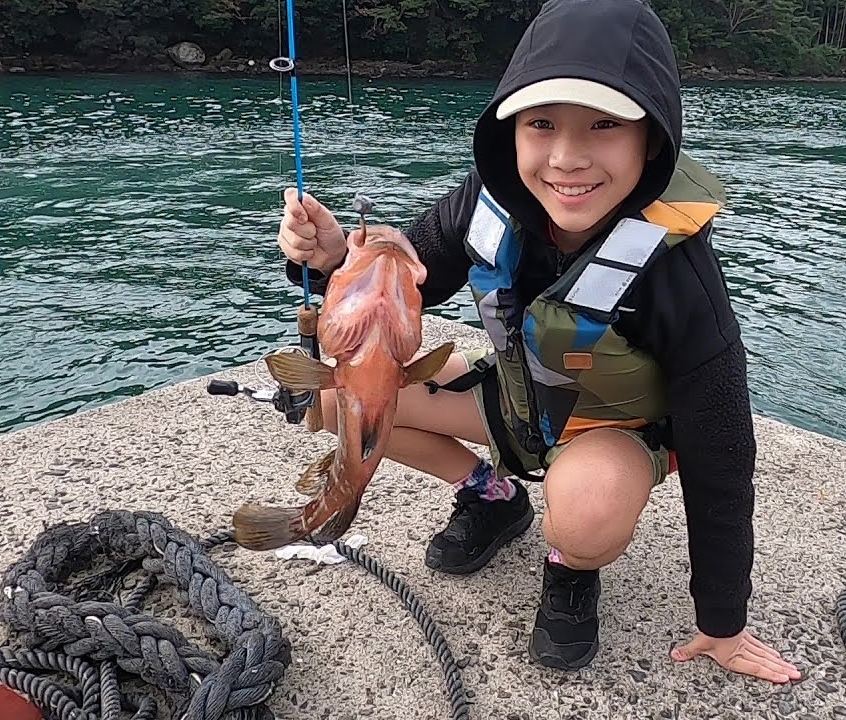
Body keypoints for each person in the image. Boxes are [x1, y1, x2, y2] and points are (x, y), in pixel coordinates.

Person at [272, 0, 800, 683]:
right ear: (510, 129)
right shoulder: (480, 202)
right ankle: (492, 496)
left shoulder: (679, 271)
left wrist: (722, 621)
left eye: (605, 125)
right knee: (339, 403)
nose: (567, 158)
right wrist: (332, 257)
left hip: (613, 430)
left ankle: (570, 569)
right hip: (517, 399)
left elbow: (723, 451)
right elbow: (409, 276)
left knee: (582, 514)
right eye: (541, 123)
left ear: (653, 138)